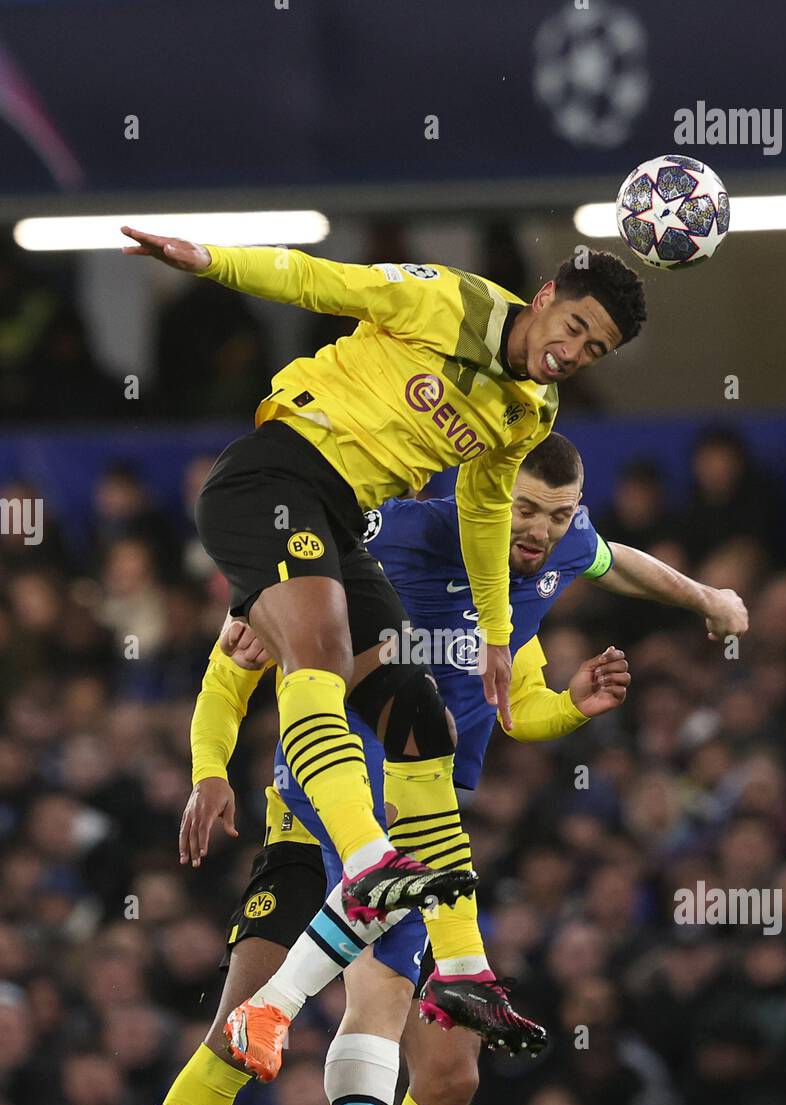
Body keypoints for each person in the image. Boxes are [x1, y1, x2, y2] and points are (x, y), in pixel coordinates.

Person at [95, 435, 748, 1105]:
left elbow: (609, 578)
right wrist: (212, 766)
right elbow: (235, 651)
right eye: (524, 510)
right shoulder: (387, 532)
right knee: (264, 1021)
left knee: (450, 1072)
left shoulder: (548, 566)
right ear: (483, 496)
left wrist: (615, 672)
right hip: (318, 814)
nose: (543, 533)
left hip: (425, 821)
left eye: (559, 516)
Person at [119, 225, 647, 1026]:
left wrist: (500, 635)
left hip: (338, 520)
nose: (576, 351)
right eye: (575, 327)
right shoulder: (446, 298)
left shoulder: (528, 411)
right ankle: (368, 859)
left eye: (596, 348)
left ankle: (465, 967)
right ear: (545, 299)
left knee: (417, 713)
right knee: (320, 648)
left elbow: (482, 509)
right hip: (275, 472)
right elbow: (318, 281)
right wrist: (212, 261)